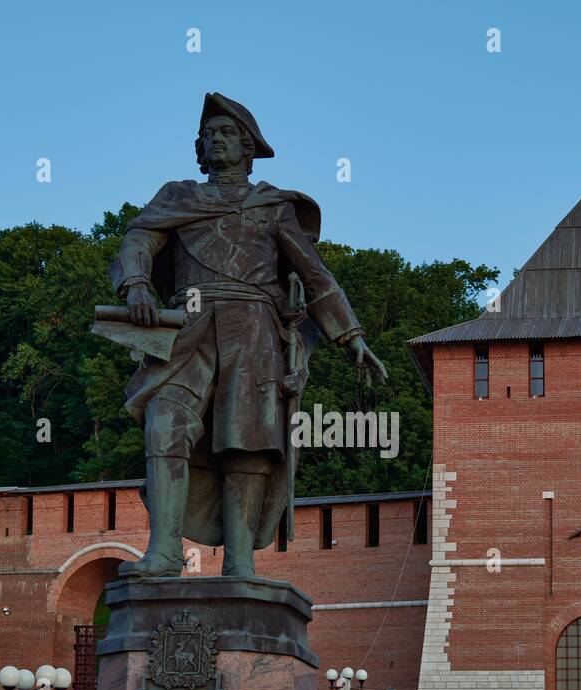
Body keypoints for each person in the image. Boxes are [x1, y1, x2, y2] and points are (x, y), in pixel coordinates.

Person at [107, 92, 388, 579]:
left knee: (247, 444)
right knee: (165, 423)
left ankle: (240, 564)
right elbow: (139, 239)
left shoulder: (273, 206)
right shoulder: (177, 197)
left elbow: (316, 275)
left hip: (254, 332)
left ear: (248, 147)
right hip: (187, 327)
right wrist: (135, 284)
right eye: (209, 134)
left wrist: (351, 336)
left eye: (227, 134)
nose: (216, 140)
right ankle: (165, 553)